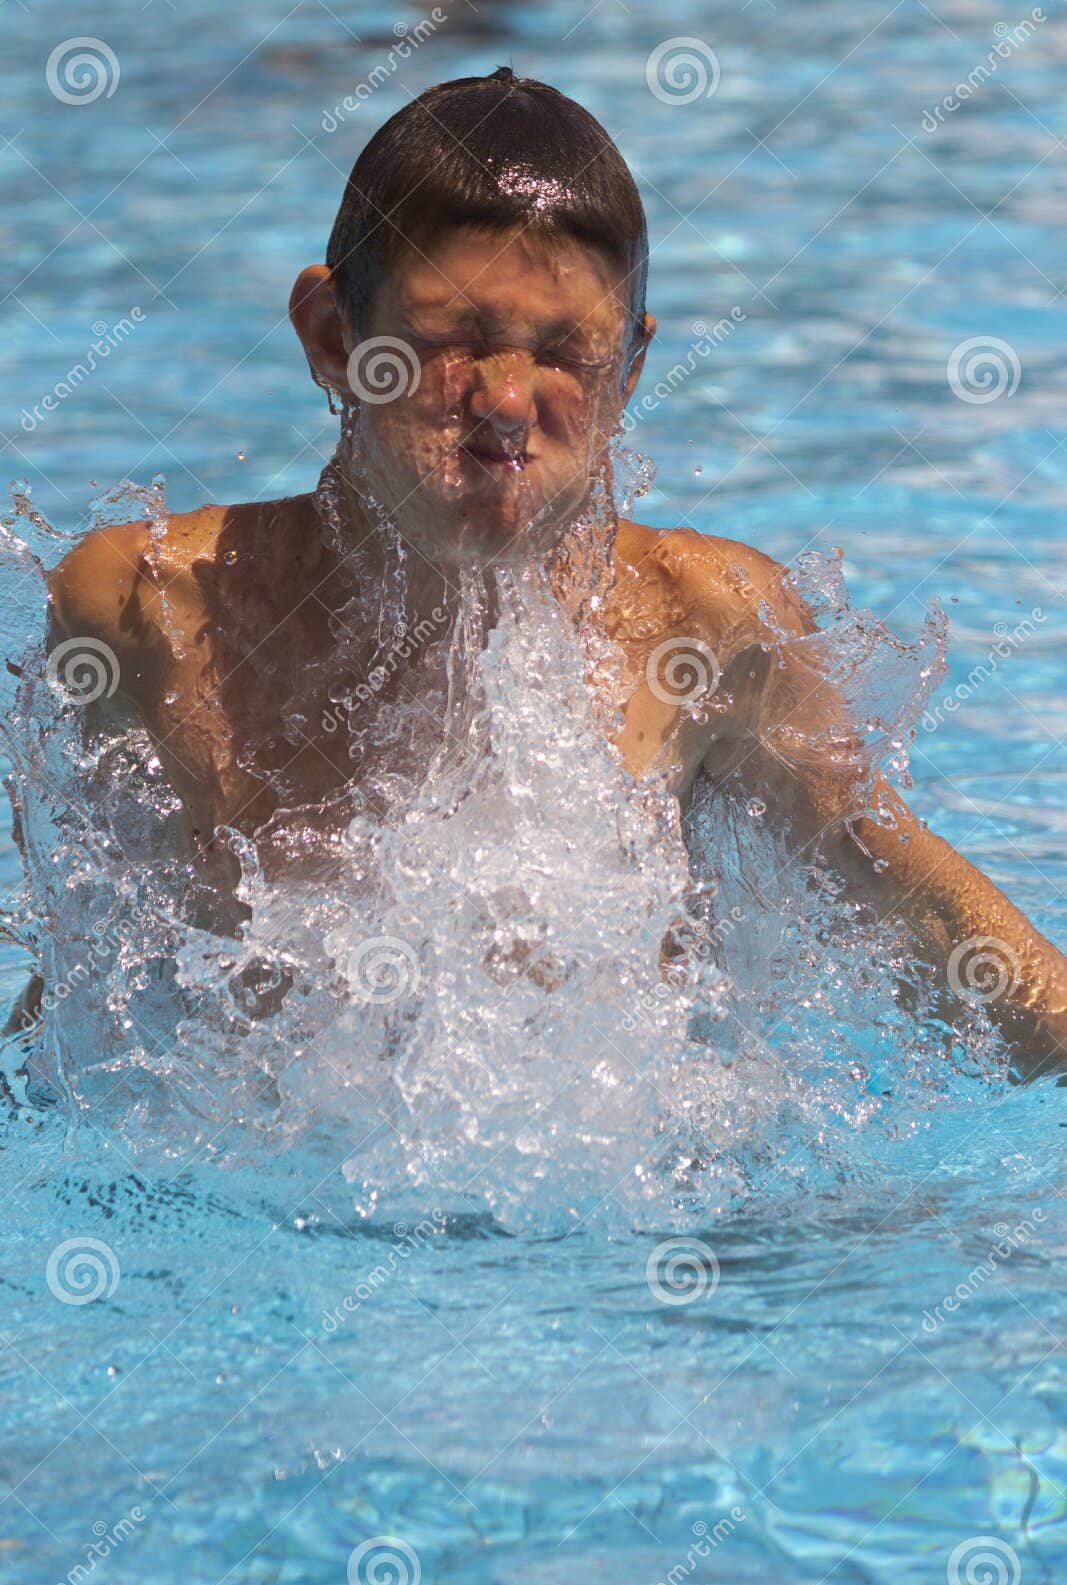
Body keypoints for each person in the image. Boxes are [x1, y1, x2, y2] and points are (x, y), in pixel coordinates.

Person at [46, 66, 1067, 1075]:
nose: (505, 401)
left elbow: (914, 912)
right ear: (331, 336)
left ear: (627, 372)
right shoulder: (145, 613)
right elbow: (86, 980)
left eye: (566, 353)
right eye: (453, 337)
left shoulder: (703, 626)